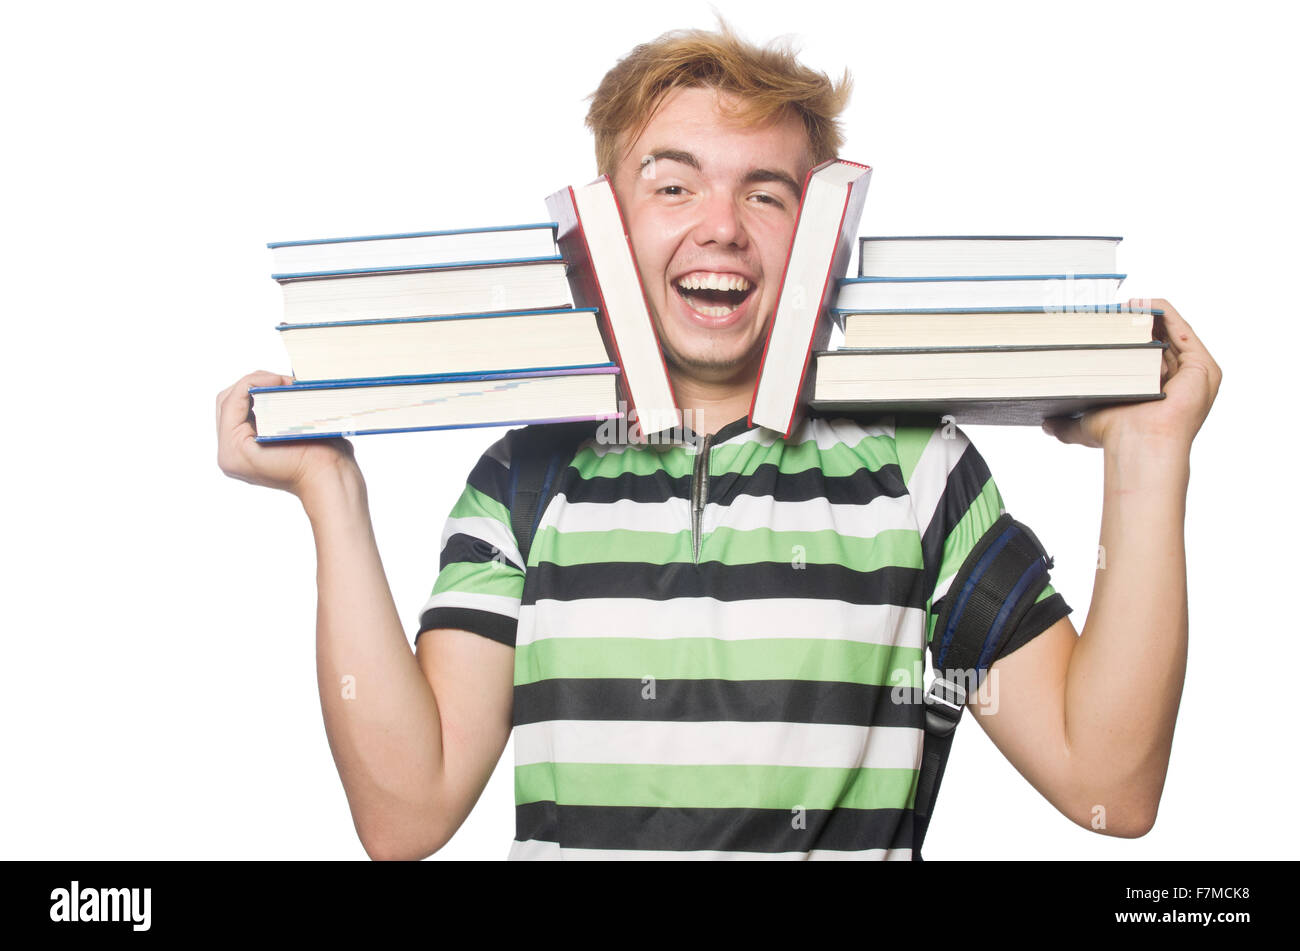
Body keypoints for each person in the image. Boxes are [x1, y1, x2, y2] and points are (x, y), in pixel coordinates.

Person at [216, 25, 1221, 860]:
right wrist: (331, 497)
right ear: (602, 227)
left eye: (766, 193)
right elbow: (407, 814)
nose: (722, 227)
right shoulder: (522, 482)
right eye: (673, 185)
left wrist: (1149, 458)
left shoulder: (919, 476)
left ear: (820, 233)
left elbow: (1109, 786)